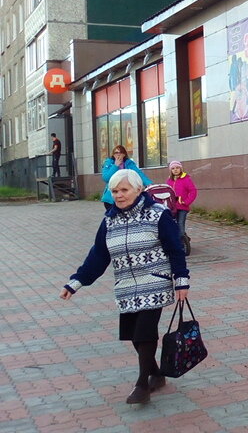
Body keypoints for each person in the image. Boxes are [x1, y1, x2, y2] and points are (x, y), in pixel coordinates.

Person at [59, 169, 189, 405]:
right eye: (114, 191)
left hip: (154, 282)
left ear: (138, 190)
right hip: (126, 286)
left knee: (144, 332)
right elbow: (99, 256)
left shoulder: (157, 214)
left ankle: (142, 385)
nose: (118, 195)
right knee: (134, 337)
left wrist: (181, 280)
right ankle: (156, 374)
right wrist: (76, 282)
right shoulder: (109, 220)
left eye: (124, 190)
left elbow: (175, 249)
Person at [100, 145, 151, 210]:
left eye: (120, 152)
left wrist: (148, 183)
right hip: (111, 198)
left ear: (124, 154)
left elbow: (138, 173)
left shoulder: (129, 163)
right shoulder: (109, 163)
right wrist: (115, 166)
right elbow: (106, 178)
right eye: (116, 153)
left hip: (125, 196)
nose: (118, 154)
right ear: (113, 154)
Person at [167, 160, 197, 238]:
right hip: (172, 207)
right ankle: (184, 238)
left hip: (182, 207)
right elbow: (167, 192)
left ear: (181, 169)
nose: (175, 170)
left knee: (180, 223)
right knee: (174, 224)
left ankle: (181, 241)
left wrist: (186, 202)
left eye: (177, 168)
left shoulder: (186, 179)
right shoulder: (169, 180)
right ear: (171, 170)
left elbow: (193, 191)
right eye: (173, 168)